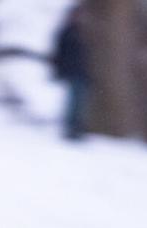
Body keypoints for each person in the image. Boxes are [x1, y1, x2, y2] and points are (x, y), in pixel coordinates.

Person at [51, 5, 90, 141]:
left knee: (80, 102)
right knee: (73, 102)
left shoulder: (80, 32)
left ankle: (77, 128)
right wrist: (59, 71)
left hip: (80, 72)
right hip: (72, 72)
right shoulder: (66, 32)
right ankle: (71, 129)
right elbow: (58, 54)